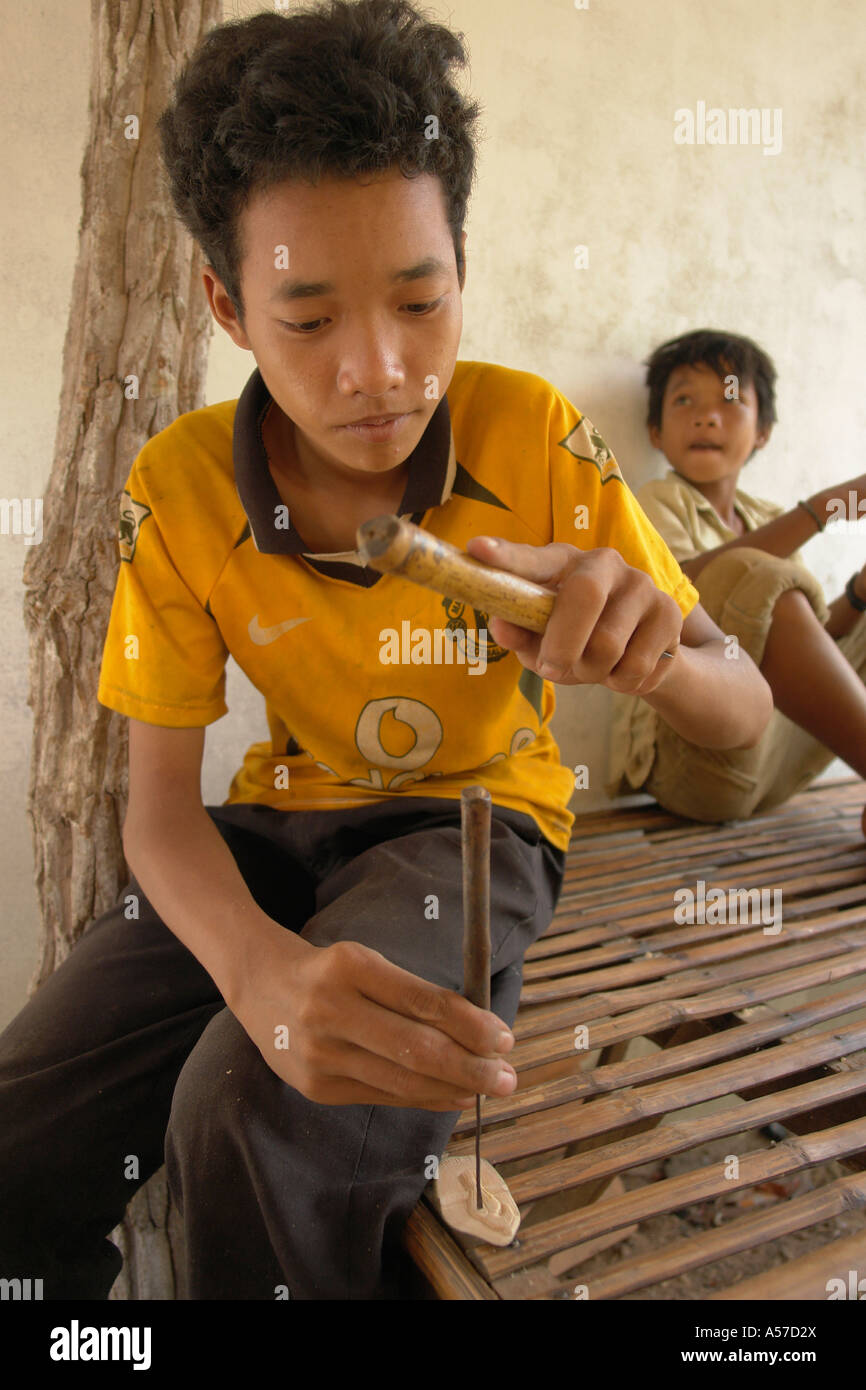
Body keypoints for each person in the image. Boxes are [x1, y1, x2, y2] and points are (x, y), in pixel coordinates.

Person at [0, 4, 771, 1301]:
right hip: (279, 821)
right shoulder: (181, 486)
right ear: (225, 305)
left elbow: (739, 712)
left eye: (421, 301)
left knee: (249, 1113)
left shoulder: (530, 438)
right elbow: (155, 817)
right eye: (307, 319)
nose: (377, 370)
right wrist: (255, 964)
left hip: (473, 827)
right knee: (21, 1132)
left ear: (461, 262)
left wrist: (653, 656)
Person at [607, 327, 866, 837]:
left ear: (763, 431)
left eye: (730, 400)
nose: (706, 415)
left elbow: (810, 643)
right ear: (656, 433)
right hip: (696, 768)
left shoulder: (765, 516)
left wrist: (859, 593)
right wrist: (821, 509)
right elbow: (677, 595)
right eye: (683, 400)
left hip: (777, 763)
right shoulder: (656, 501)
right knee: (748, 572)